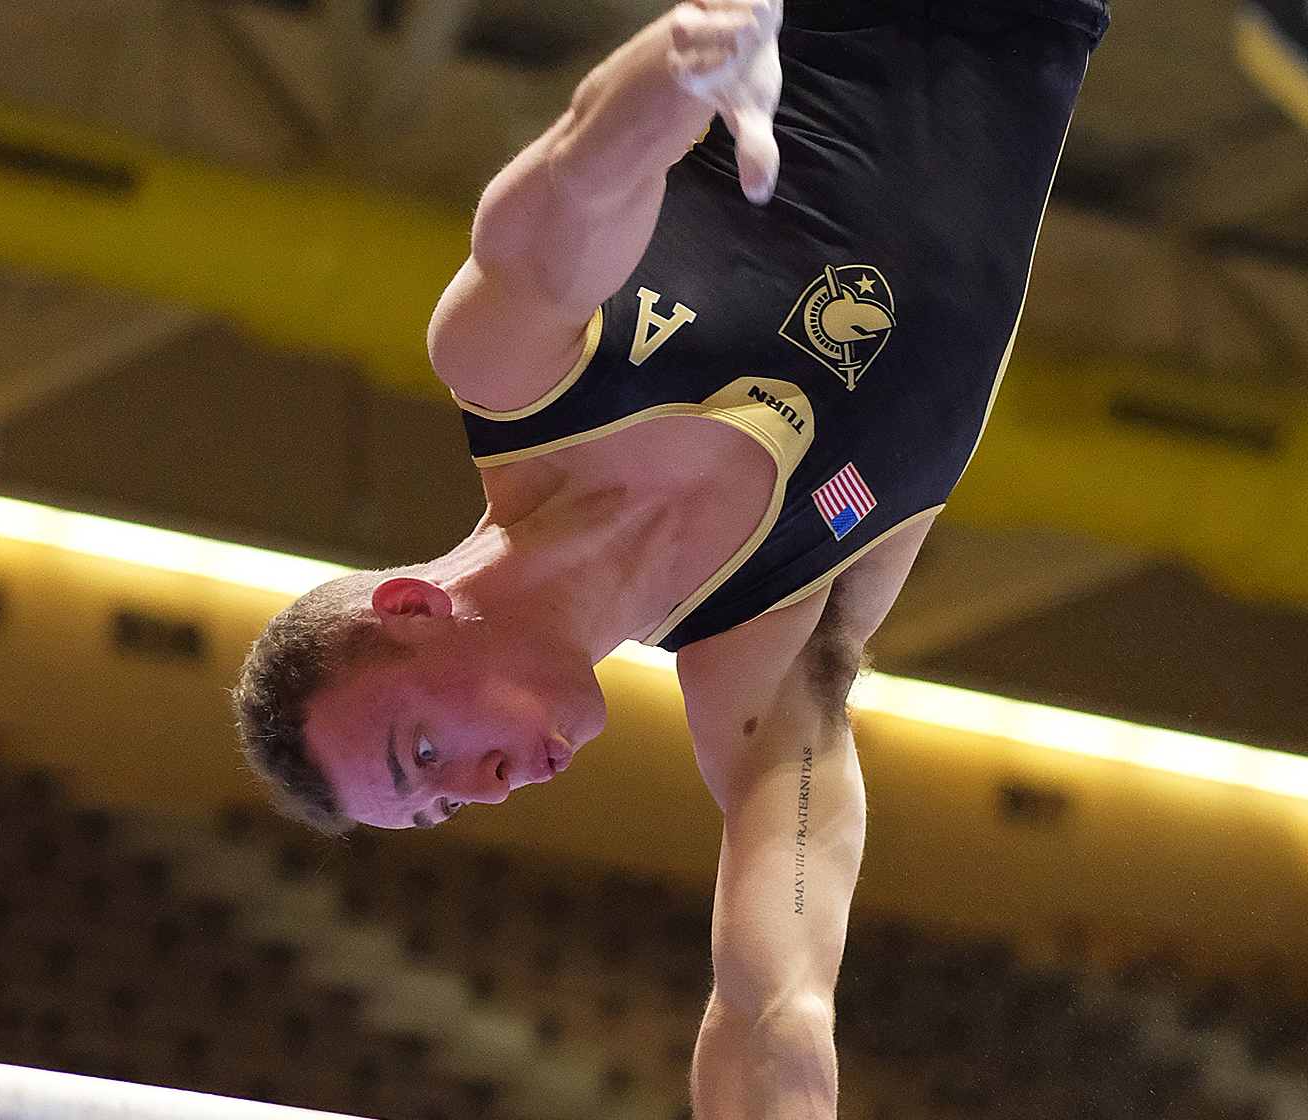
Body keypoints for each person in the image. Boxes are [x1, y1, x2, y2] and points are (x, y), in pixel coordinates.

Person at [234, 0, 1105, 1114]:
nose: (483, 790)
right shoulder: (763, 659)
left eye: (424, 753)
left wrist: (694, 56)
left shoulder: (519, 373)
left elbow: (570, 179)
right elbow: (769, 1009)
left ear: (408, 607)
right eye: (440, 808)